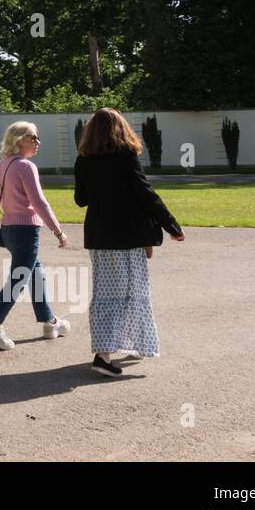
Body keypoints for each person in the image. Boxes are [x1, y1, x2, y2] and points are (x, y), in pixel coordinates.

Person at [73, 108, 185, 378]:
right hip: (129, 236)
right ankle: (104, 355)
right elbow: (146, 193)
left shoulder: (83, 160)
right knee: (134, 291)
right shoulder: (126, 157)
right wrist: (171, 224)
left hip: (100, 237)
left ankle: (115, 348)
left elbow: (81, 200)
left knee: (106, 294)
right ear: (121, 128)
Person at [0, 121, 70, 351]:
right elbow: (38, 203)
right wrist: (58, 230)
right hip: (26, 231)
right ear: (18, 140)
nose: (37, 142)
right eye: (32, 138)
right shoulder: (26, 167)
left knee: (35, 274)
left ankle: (50, 323)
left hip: (8, 230)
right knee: (20, 277)